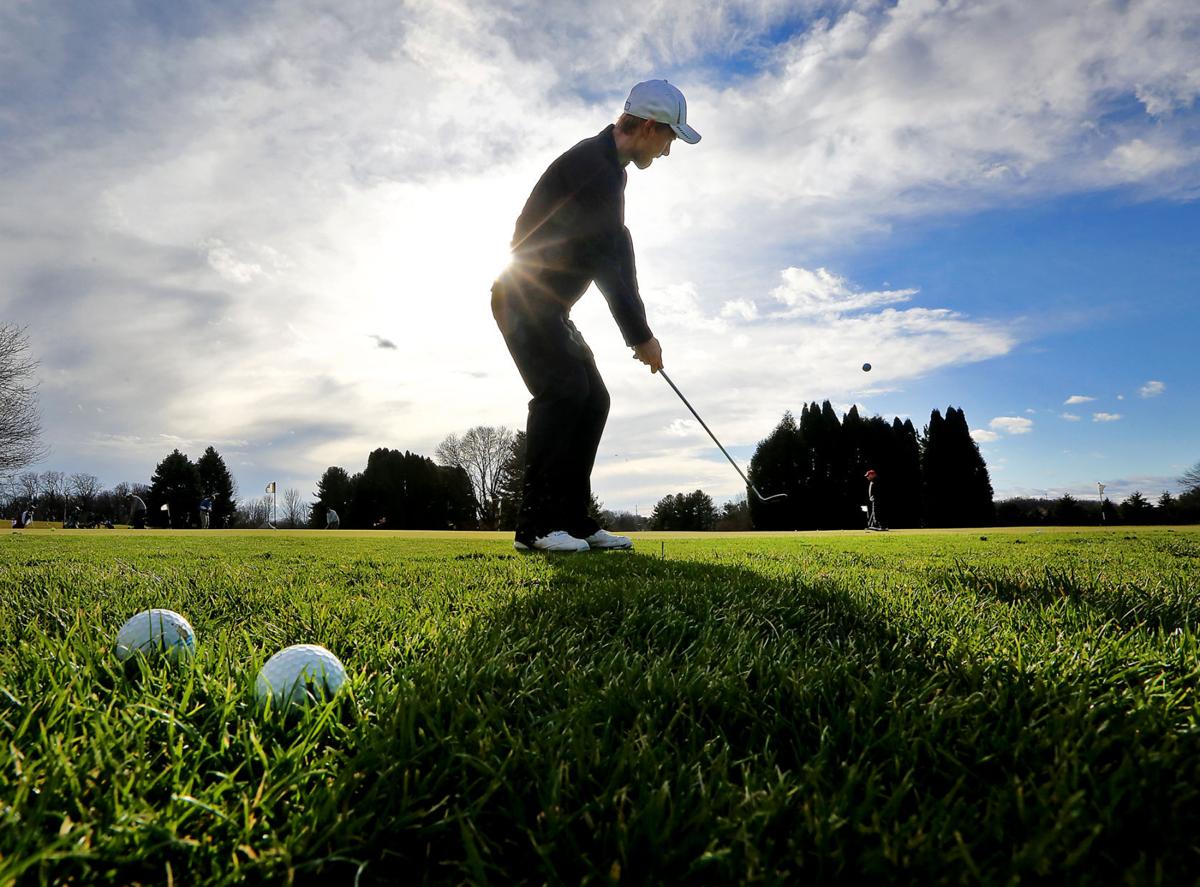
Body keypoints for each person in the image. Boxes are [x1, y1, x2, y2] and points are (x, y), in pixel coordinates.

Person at [491, 79, 700, 553]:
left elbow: (618, 248)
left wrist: (642, 332)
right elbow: (607, 260)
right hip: (523, 300)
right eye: (669, 138)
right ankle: (536, 528)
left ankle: (574, 521)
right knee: (564, 391)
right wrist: (640, 336)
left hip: (548, 306)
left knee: (594, 400)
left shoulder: (612, 170)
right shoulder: (593, 167)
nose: (668, 151)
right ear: (648, 127)